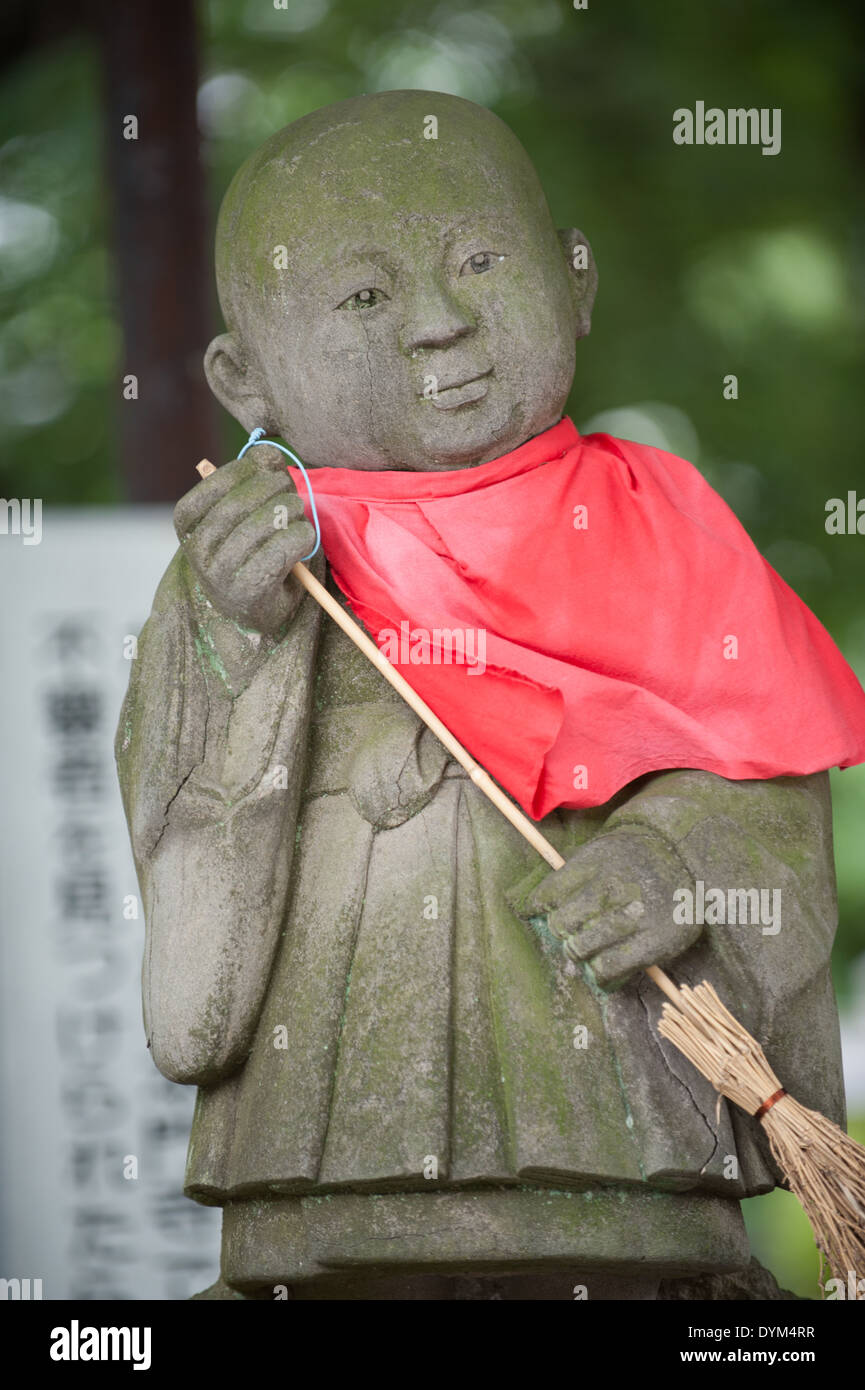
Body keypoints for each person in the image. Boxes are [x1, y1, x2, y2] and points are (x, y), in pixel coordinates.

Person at [116, 90, 863, 1299]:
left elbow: (765, 789)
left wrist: (672, 864)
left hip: (630, 1186)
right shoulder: (255, 573)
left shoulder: (655, 529)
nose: (441, 325)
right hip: (311, 1194)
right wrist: (240, 642)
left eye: (476, 259)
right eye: (364, 297)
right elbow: (189, 938)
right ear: (242, 377)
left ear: (575, 279)